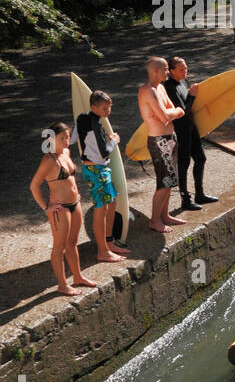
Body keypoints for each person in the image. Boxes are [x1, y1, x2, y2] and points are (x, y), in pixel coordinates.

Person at [30, 123, 95, 295]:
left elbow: (69, 180)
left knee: (73, 243)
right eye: (62, 138)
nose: (67, 141)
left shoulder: (66, 152)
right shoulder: (48, 160)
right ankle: (62, 284)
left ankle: (78, 277)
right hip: (60, 209)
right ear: (51, 138)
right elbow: (34, 185)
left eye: (68, 137)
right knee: (59, 245)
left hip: (75, 204)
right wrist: (46, 207)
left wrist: (77, 194)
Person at [75, 91, 129, 261]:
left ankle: (109, 241)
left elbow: (71, 139)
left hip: (97, 169)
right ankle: (102, 251)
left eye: (109, 108)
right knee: (102, 208)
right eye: (104, 108)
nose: (108, 112)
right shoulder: (95, 125)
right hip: (96, 170)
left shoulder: (82, 118)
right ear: (94, 107)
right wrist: (113, 140)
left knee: (111, 202)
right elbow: (104, 153)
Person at [138, 56, 187, 233]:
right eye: (166, 69)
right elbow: (165, 115)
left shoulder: (160, 88)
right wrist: (174, 112)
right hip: (159, 141)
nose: (168, 72)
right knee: (164, 182)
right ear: (156, 70)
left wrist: (172, 112)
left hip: (170, 138)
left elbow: (172, 109)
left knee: (171, 180)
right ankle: (155, 220)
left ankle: (164, 216)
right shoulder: (148, 91)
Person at [164, 58, 218, 213]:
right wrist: (193, 95)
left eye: (186, 68)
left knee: (201, 158)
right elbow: (182, 112)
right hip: (180, 130)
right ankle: (185, 200)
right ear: (171, 71)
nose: (185, 71)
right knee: (184, 164)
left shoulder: (182, 83)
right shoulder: (169, 87)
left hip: (191, 127)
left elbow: (193, 109)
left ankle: (199, 195)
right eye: (181, 69)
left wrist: (203, 126)